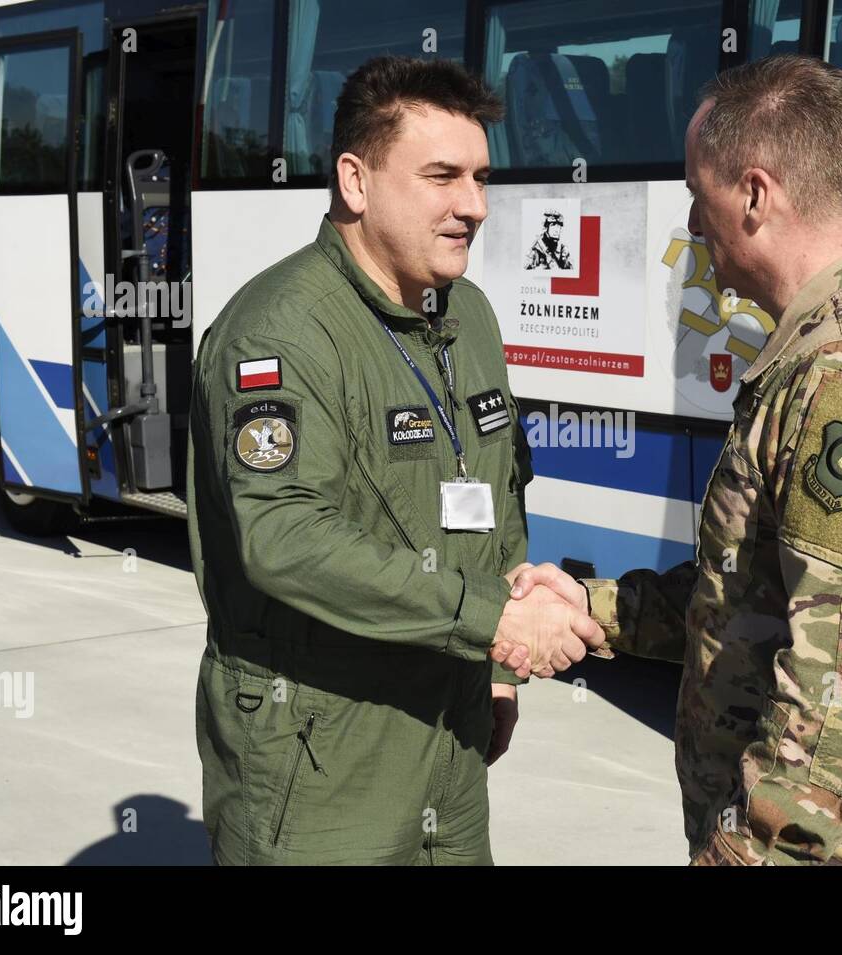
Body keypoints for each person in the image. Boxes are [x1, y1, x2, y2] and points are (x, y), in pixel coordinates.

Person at [503, 54, 842, 865]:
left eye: (700, 199)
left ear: (756, 196)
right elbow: (750, 599)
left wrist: (736, 856)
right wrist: (590, 606)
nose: (694, 227)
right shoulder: (816, 359)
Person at [187, 56, 602, 866]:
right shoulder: (279, 332)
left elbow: (498, 490)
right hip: (318, 778)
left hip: (449, 758)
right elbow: (286, 538)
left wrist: (501, 666)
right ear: (356, 179)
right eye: (442, 176)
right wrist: (493, 617)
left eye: (481, 178)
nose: (473, 206)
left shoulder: (469, 316)